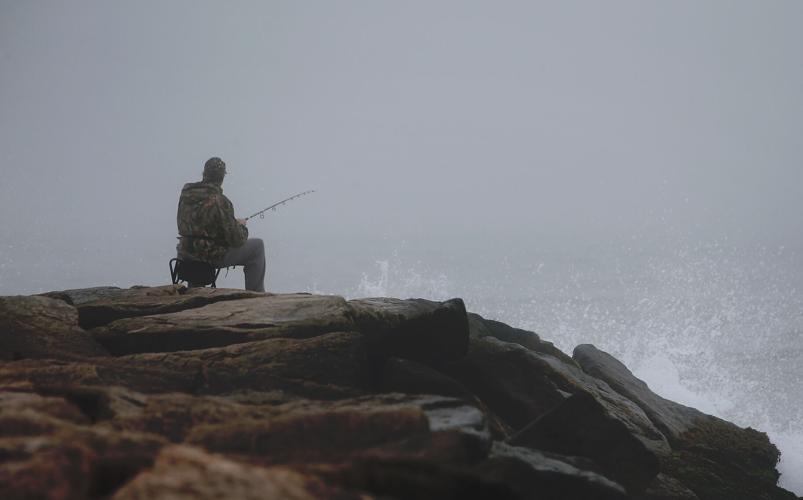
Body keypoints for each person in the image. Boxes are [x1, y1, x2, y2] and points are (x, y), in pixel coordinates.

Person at [176, 157, 266, 292]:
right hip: (209, 258)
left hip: (185, 256)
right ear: (222, 177)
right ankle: (256, 295)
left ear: (204, 173)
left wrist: (229, 222)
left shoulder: (186, 195)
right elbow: (237, 240)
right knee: (258, 246)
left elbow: (196, 224)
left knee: (196, 242)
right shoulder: (220, 202)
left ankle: (193, 290)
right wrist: (241, 226)